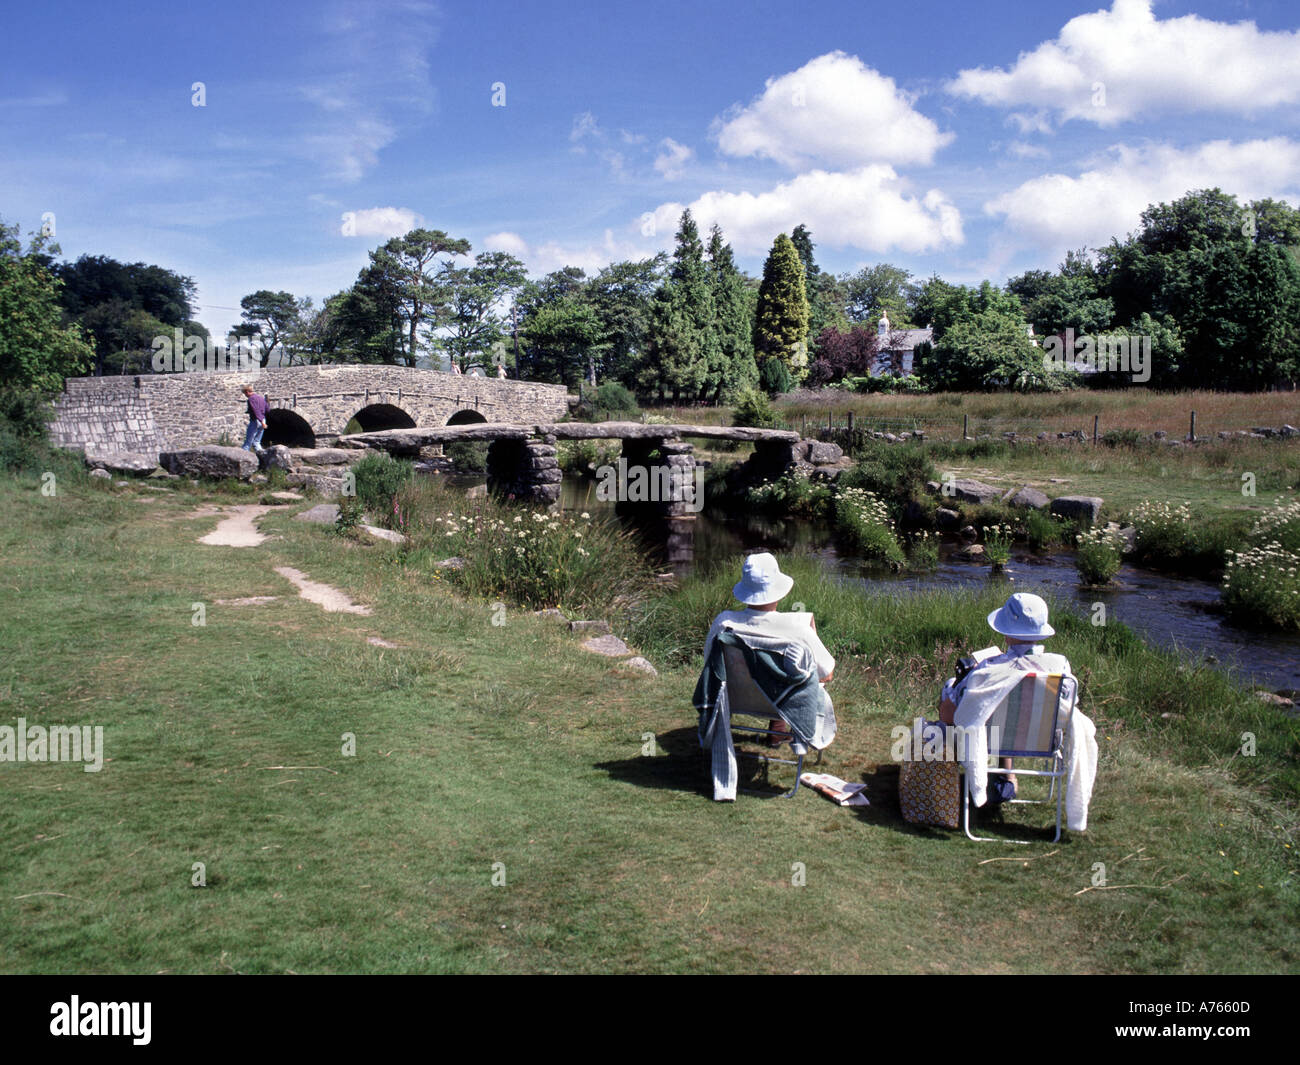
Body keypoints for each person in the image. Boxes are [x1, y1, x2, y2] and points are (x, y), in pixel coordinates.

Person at [936, 592, 1098, 830]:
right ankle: (1007, 777)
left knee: (957, 693)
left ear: (1007, 633)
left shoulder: (987, 670)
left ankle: (958, 783)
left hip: (993, 736)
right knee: (1010, 711)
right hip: (1040, 740)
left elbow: (950, 716)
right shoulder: (1060, 668)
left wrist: (960, 681)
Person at [696, 553, 836, 800]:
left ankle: (777, 726)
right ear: (779, 592)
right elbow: (826, 673)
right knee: (808, 676)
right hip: (780, 700)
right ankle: (781, 722)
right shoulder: (796, 629)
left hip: (733, 699)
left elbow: (710, 662)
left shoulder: (724, 624)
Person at [240, 385, 268, 454]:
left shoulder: (251, 399)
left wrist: (261, 421)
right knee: (257, 442)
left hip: (256, 420)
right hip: (263, 419)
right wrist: (263, 419)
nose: (245, 395)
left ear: (247, 392)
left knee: (248, 442)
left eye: (244, 393)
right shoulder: (261, 398)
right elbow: (267, 408)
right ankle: (262, 457)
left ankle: (242, 457)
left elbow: (256, 410)